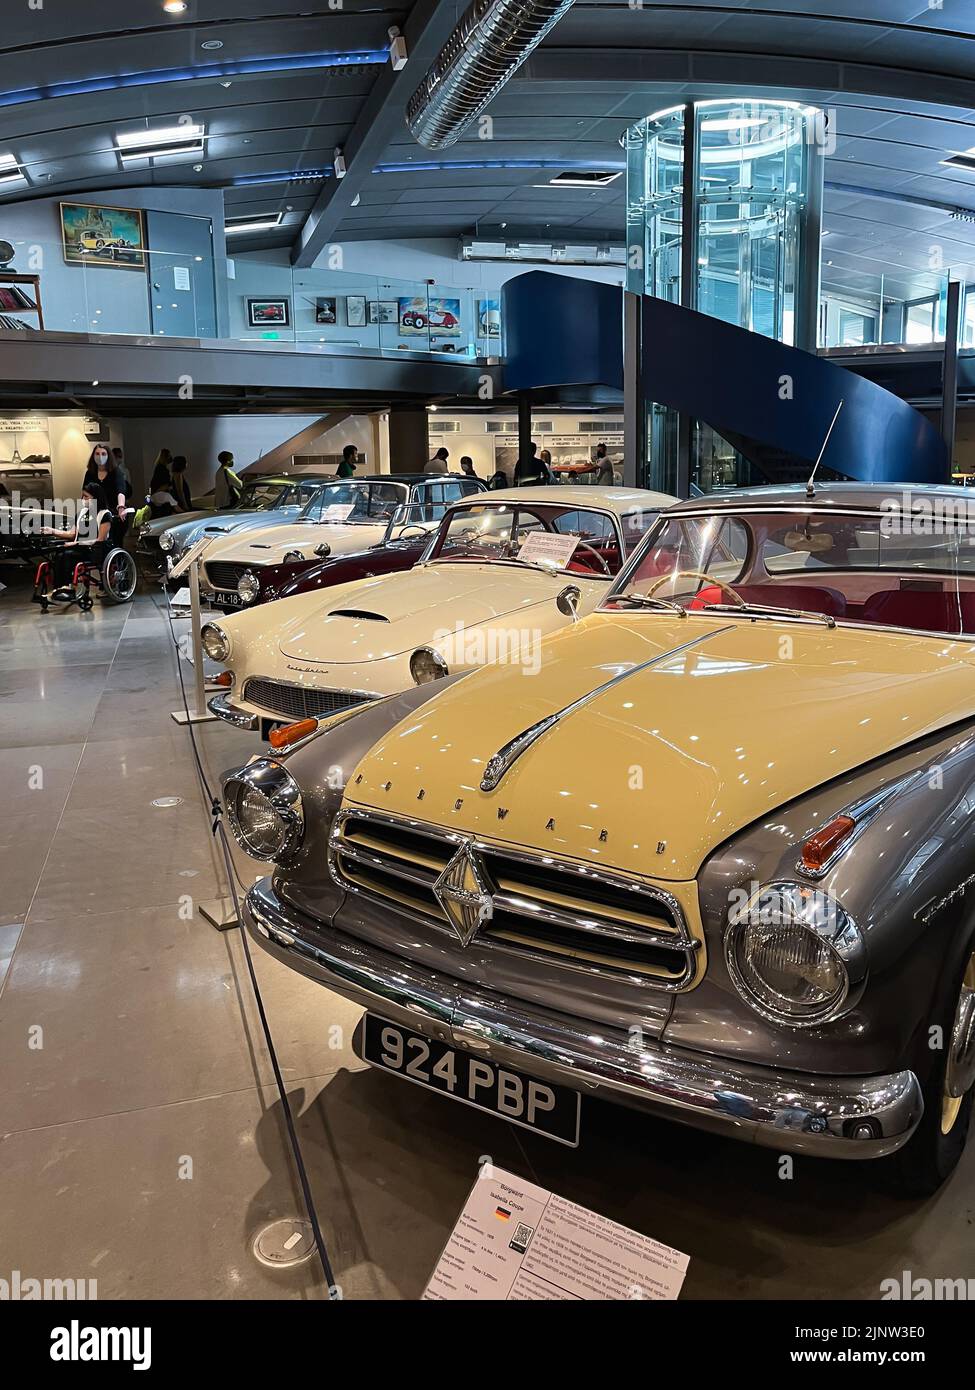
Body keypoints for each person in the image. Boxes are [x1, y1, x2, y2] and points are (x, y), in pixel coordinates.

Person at [42, 480, 112, 597]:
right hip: (79, 548)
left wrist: (76, 544)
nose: (83, 499)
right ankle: (59, 588)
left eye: (86, 497)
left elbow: (100, 539)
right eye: (82, 496)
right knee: (59, 555)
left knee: (67, 555)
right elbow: (71, 534)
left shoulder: (105, 514)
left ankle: (68, 588)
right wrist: (52, 531)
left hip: (94, 550)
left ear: (96, 498)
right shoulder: (81, 513)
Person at [84, 445, 127, 522]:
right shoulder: (90, 473)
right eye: (97, 454)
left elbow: (120, 491)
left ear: (108, 456)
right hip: (95, 514)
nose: (100, 456)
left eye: (103, 454)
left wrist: (121, 506)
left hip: (113, 513)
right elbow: (85, 493)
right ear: (93, 456)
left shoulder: (115, 472)